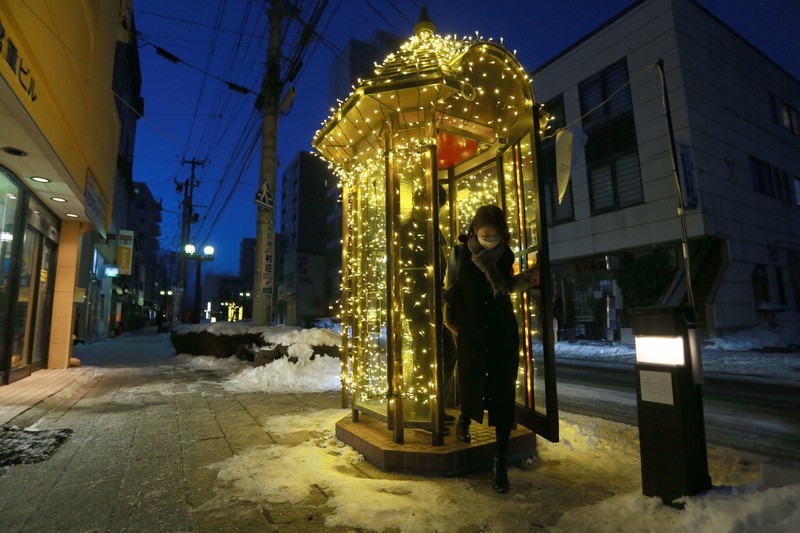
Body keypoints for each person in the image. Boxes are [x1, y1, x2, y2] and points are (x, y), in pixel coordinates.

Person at [442, 205, 538, 493]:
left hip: (500, 330)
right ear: (474, 231)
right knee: (470, 380)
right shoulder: (460, 253)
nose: (490, 241)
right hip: (471, 329)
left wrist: (527, 280)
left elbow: (506, 286)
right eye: (485, 235)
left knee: (502, 389)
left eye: (495, 236)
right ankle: (464, 419)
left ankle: (500, 459)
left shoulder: (506, 255)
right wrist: (449, 318)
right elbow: (451, 287)